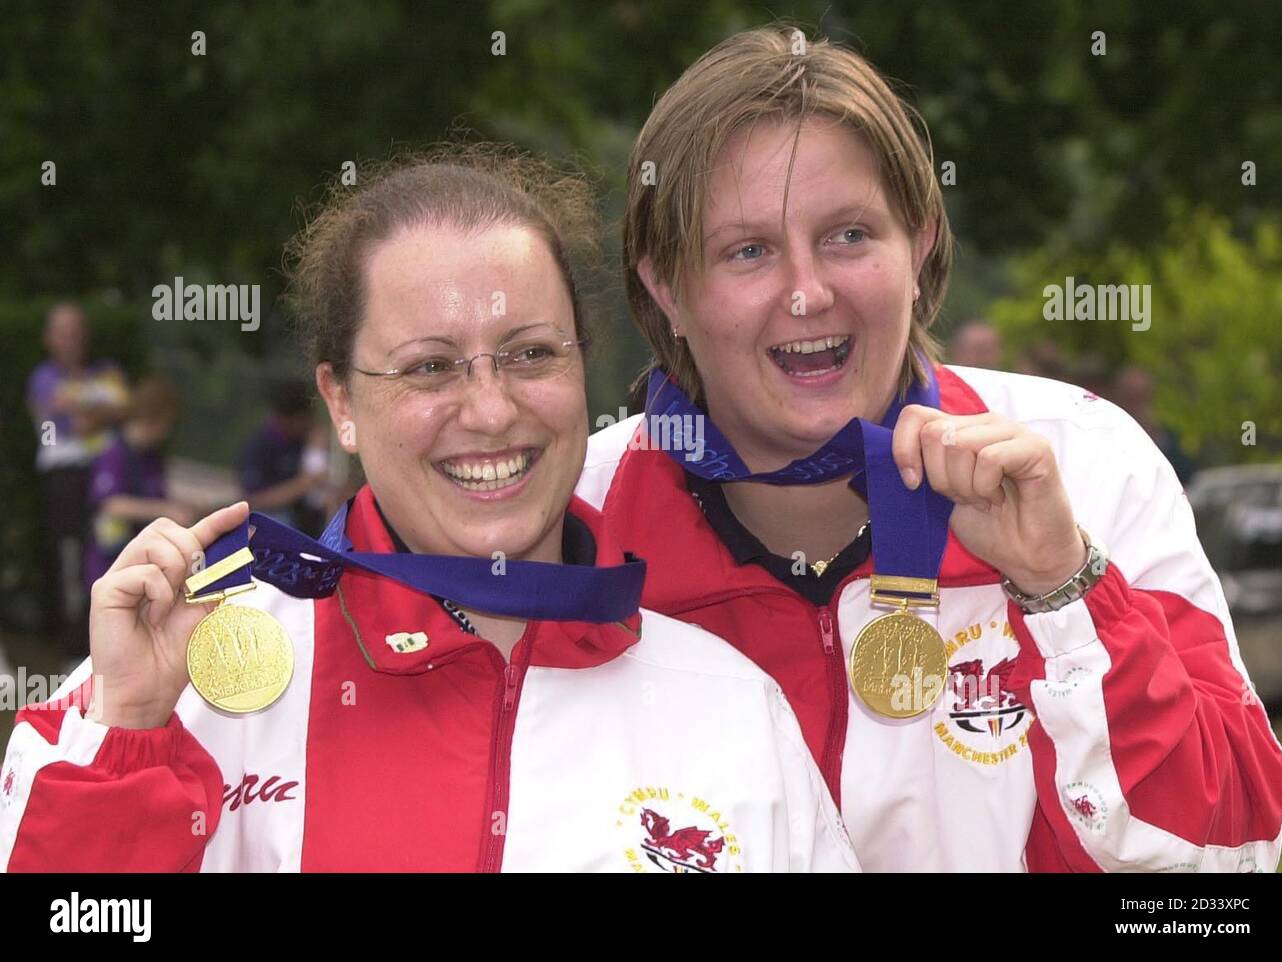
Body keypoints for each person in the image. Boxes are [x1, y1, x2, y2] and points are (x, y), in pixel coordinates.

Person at [0, 147, 858, 873]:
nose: (489, 411)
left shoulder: (734, 708)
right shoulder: (179, 684)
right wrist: (132, 737)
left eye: (529, 354)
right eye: (428, 368)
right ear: (339, 400)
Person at [579, 26, 1282, 872]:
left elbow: (1232, 856)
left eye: (849, 235)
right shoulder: (574, 520)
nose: (807, 292)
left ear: (917, 244)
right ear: (668, 288)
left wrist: (1066, 591)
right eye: (749, 251)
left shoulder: (1086, 457)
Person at [25, 302, 129, 655]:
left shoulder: (107, 371)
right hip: (64, 483)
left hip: (104, 478)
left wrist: (79, 408)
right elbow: (56, 426)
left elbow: (125, 408)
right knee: (71, 565)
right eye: (65, 332)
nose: (73, 339)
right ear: (50, 338)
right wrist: (101, 412)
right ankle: (72, 652)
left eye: (78, 331)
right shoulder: (42, 378)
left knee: (106, 559)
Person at [83, 377, 196, 593]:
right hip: (110, 565)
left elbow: (155, 496)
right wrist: (167, 510)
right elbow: (112, 504)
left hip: (141, 564)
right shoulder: (113, 453)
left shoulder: (152, 456)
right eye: (167, 424)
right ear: (152, 419)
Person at [238, 379, 329, 532]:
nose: (310, 423)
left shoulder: (311, 439)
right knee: (279, 521)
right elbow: (253, 499)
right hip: (277, 517)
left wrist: (318, 450)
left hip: (309, 518)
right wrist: (302, 485)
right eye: (305, 419)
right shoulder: (260, 446)